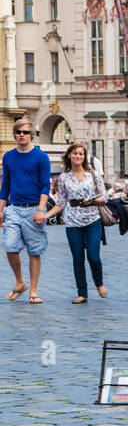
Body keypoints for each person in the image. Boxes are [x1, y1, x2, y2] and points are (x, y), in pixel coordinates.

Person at [45, 141, 107, 303]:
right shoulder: (64, 177)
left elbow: (104, 197)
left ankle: (99, 282)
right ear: (70, 156)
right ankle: (82, 293)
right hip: (73, 222)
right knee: (78, 258)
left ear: (85, 157)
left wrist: (92, 201)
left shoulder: (92, 174)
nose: (78, 156)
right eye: (75, 153)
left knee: (93, 256)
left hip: (93, 219)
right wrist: (45, 216)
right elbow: (61, 203)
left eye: (81, 154)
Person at [0, 119, 51, 304]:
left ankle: (34, 290)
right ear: (15, 134)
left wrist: (40, 209)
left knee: (34, 251)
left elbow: (45, 186)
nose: (22, 135)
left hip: (33, 209)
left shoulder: (41, 157)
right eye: (19, 132)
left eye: (25, 132)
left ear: (31, 135)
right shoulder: (8, 157)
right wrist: (1, 210)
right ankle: (20, 281)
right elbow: (5, 186)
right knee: (10, 246)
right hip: (13, 208)